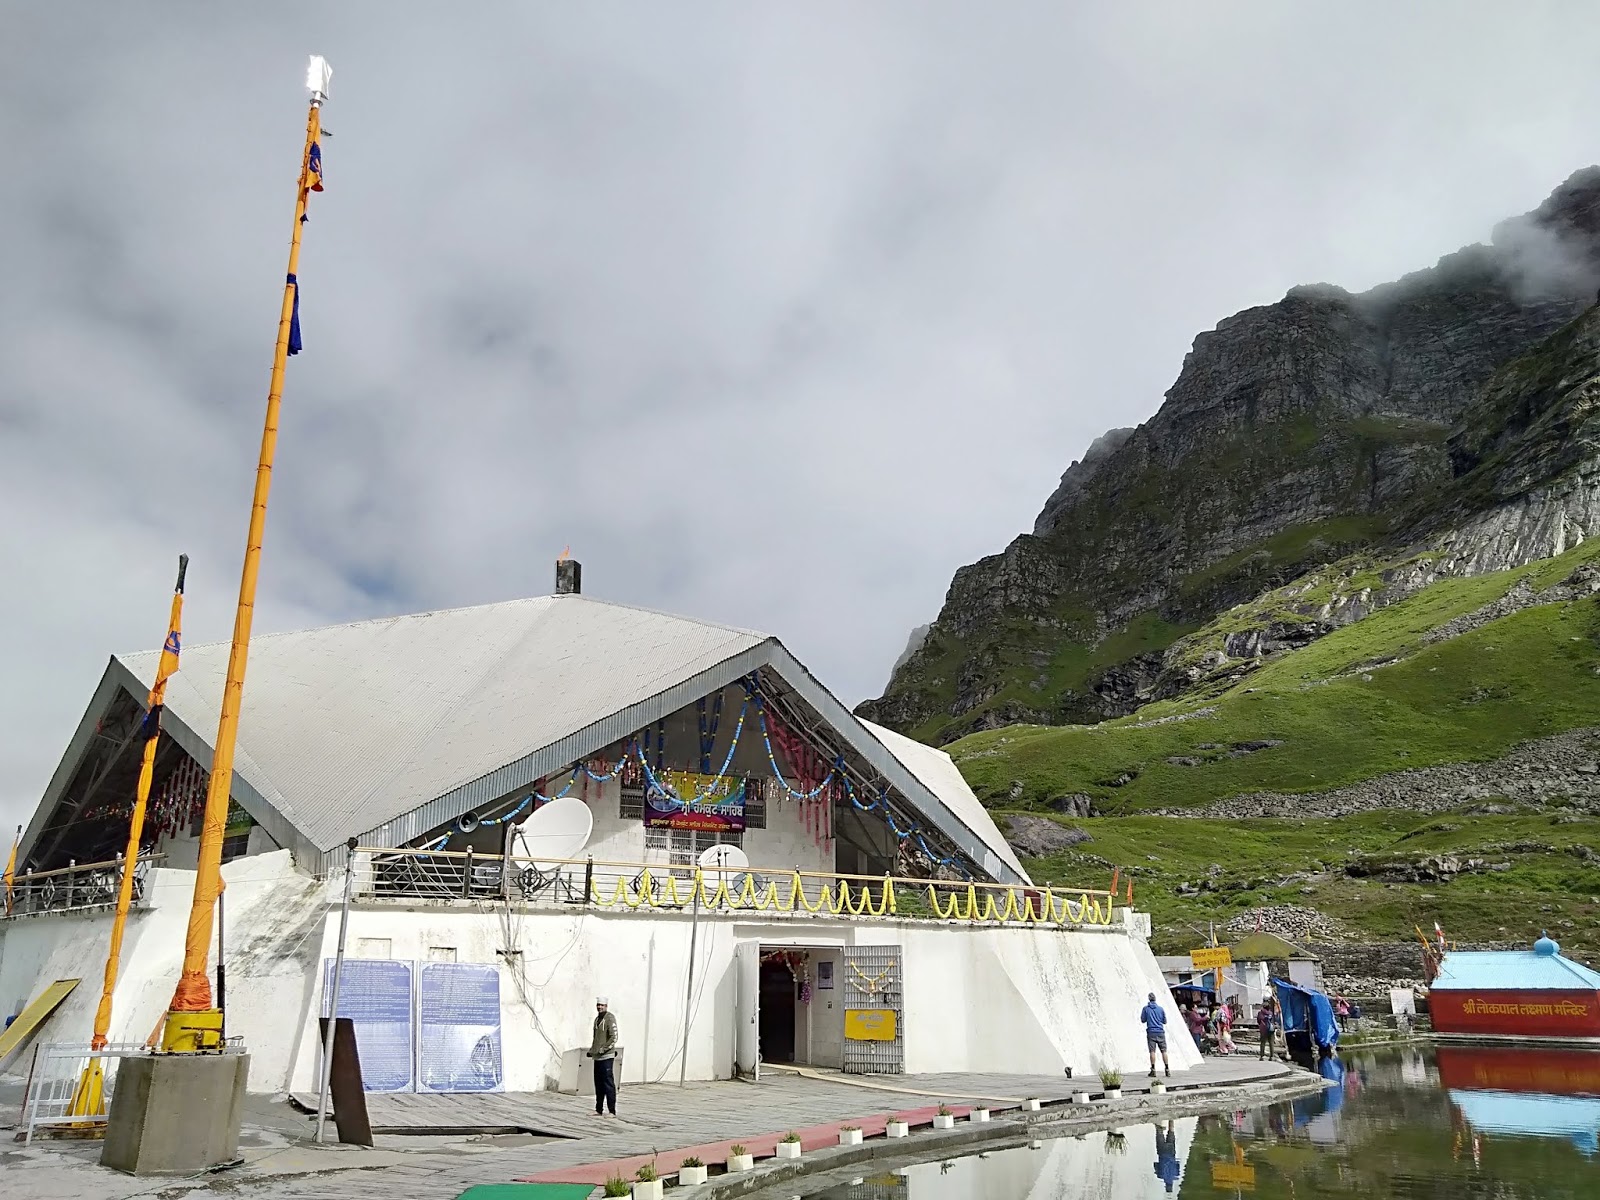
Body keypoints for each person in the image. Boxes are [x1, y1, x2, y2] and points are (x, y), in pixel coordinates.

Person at [587, 995, 619, 1116]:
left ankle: (612, 1111)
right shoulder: (597, 1020)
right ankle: (598, 1109)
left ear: (606, 1006)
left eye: (602, 1005)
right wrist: (593, 1050)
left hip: (607, 1057)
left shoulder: (609, 1018)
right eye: (598, 1005)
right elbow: (596, 1038)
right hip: (597, 1057)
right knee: (598, 1083)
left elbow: (614, 1037)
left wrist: (603, 1049)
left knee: (608, 1083)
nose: (600, 1007)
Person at [1140, 991, 1171, 1078]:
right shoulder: (1161, 1009)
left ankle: (1153, 1069)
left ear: (1149, 999)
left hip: (1151, 1032)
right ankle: (1167, 1069)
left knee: (1152, 1051)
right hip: (1160, 1031)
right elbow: (1165, 1021)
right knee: (1164, 1051)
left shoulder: (1146, 1009)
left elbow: (1143, 1020)